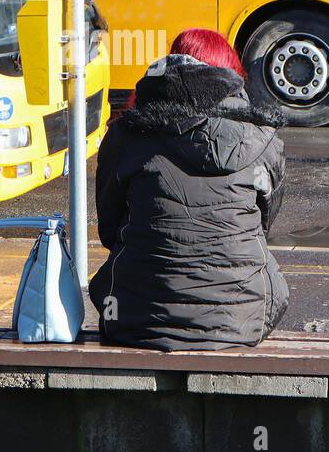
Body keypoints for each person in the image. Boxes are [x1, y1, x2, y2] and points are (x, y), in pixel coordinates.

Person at [90, 29, 289, 351]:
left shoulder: (126, 135)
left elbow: (110, 231)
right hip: (241, 319)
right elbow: (262, 227)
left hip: (132, 319)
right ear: (231, 74)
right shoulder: (262, 139)